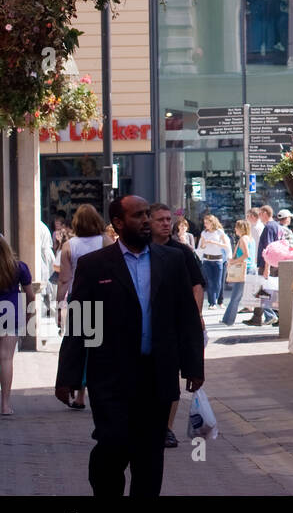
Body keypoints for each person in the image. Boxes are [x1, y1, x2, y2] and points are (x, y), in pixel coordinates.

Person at [54, 196, 204, 496]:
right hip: (111, 377)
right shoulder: (95, 265)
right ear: (118, 224)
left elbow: (186, 318)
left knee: (149, 454)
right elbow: (83, 325)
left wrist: (193, 366)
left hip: (156, 375)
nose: (146, 221)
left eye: (147, 214)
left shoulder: (171, 261)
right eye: (138, 216)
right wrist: (68, 376)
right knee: (113, 446)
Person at [150, 203, 205, 449]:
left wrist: (195, 315)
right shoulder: (142, 250)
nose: (165, 223)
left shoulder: (181, 252)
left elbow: (196, 285)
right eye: (159, 219)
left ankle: (166, 428)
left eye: (167, 219)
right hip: (151, 324)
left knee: (171, 377)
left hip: (176, 324)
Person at [56, 204, 107, 410]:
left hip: (79, 299)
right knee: (98, 346)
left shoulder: (70, 246)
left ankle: (79, 395)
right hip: (103, 299)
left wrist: (60, 306)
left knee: (79, 346)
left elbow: (64, 280)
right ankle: (94, 390)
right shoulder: (106, 241)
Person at [0, 234, 35, 416]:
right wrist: (29, 314)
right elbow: (30, 295)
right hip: (10, 313)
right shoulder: (18, 267)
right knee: (6, 358)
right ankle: (5, 405)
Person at [222, 220, 253, 326]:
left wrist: (233, 262)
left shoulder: (243, 239)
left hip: (243, 270)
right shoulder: (250, 239)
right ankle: (227, 318)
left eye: (236, 227)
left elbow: (246, 255)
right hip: (249, 269)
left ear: (241, 228)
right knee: (253, 295)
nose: (235, 229)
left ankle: (228, 320)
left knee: (235, 296)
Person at [197, 215, 231, 308]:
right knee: (210, 281)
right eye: (205, 223)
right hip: (207, 259)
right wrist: (204, 243)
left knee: (218, 282)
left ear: (212, 223)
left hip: (218, 259)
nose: (205, 225)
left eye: (207, 223)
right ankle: (212, 302)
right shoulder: (204, 233)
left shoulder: (219, 232)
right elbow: (201, 247)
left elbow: (226, 245)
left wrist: (214, 243)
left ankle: (216, 299)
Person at [256, 206, 287, 278]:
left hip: (268, 265)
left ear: (264, 213)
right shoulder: (278, 226)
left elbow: (269, 248)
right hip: (276, 263)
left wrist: (267, 268)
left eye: (259, 214)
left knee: (266, 288)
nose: (259, 217)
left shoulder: (269, 227)